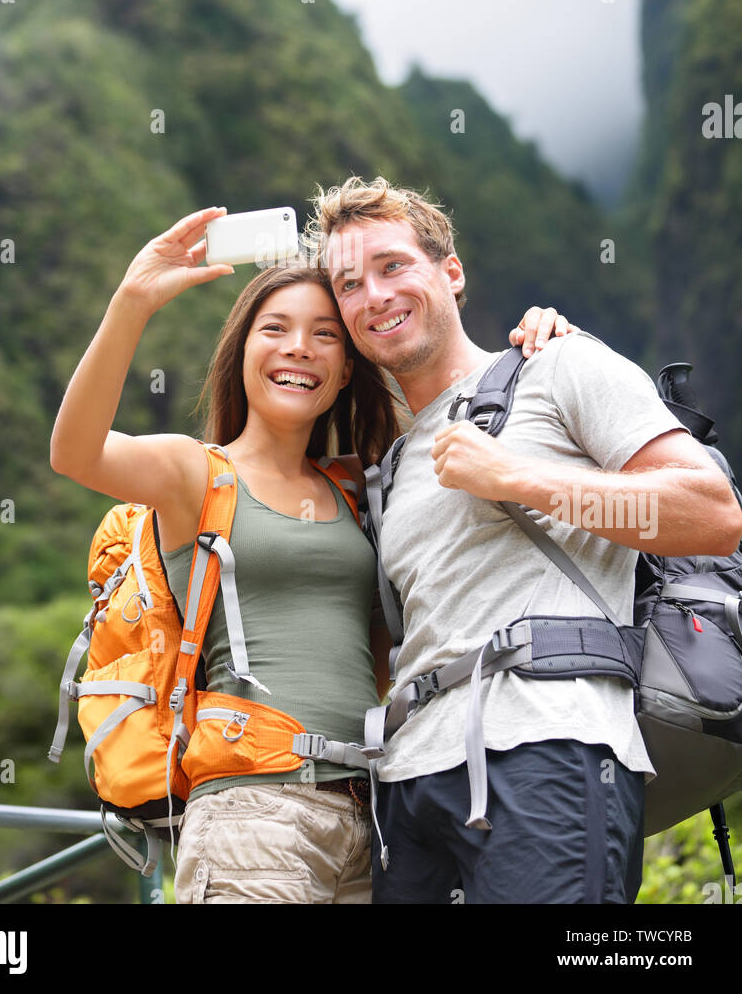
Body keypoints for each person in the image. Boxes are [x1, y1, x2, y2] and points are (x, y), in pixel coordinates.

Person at [49, 205, 572, 904]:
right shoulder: (193, 474)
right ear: (242, 350)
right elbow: (74, 452)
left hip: (376, 821)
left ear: (346, 366)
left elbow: (453, 386)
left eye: (326, 335)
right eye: (276, 329)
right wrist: (133, 301)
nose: (300, 348)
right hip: (251, 815)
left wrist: (540, 338)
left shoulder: (365, 485)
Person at [305, 175, 742, 906]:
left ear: (451, 272)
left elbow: (710, 511)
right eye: (349, 284)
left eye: (392, 266)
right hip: (409, 787)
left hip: (550, 750)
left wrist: (519, 476)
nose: (373, 295)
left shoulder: (560, 365)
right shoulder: (392, 464)